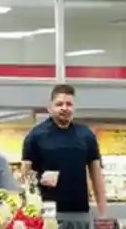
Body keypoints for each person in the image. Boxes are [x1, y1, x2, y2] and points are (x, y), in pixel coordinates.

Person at [22, 84, 108, 225]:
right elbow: (24, 178)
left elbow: (96, 175)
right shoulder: (35, 135)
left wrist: (103, 213)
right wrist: (39, 179)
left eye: (69, 104)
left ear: (74, 107)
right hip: (47, 213)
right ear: (50, 107)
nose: (64, 108)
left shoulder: (86, 135)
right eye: (59, 104)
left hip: (81, 213)